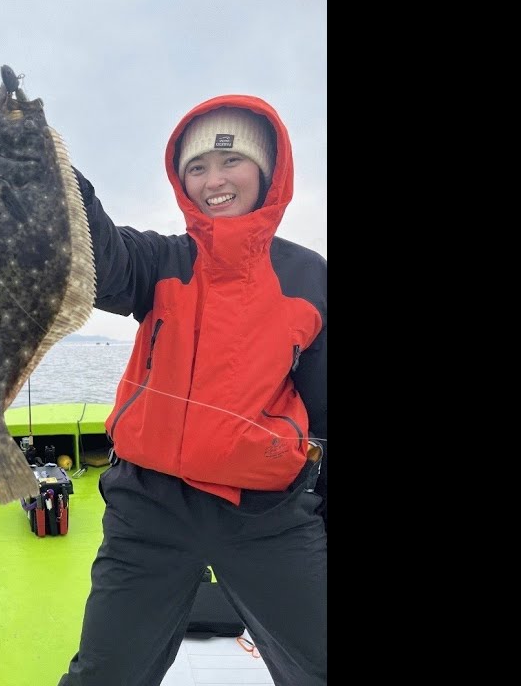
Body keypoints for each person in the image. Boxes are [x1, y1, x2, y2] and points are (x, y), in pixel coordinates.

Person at [58, 96, 328, 685]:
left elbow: (323, 406)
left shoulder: (309, 276)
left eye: (229, 162)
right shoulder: (162, 259)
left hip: (270, 515)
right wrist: (56, 176)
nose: (214, 180)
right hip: (149, 507)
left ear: (268, 170)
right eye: (196, 168)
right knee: (106, 670)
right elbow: (102, 260)